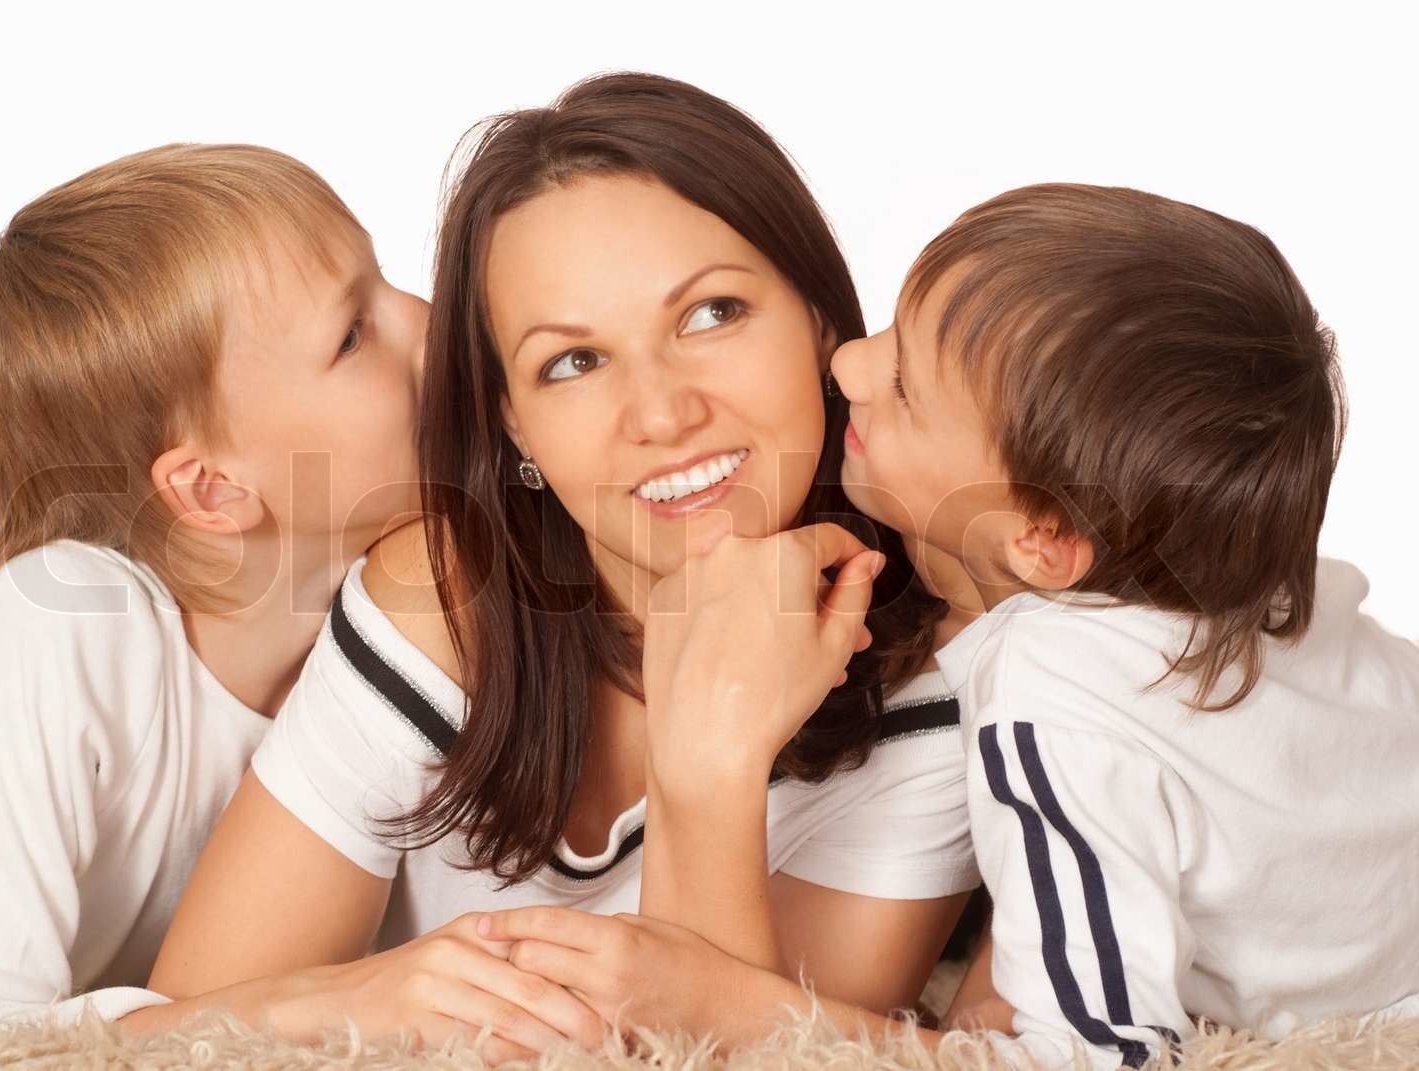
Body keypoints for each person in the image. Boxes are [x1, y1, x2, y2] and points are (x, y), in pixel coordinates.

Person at [141, 72, 980, 1063]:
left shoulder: (936, 675)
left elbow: (751, 1053)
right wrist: (353, 995)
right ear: (514, 424)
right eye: (573, 363)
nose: (662, 414)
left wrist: (705, 768)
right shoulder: (441, 600)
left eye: (711, 313)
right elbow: (164, 1034)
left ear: (819, 320)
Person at [482, 183, 1419, 1069]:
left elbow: (1101, 1056)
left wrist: (734, 1008)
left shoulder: (1046, 692)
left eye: (903, 386)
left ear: (1040, 540)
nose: (847, 363)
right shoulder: (1278, 585)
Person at [0, 144, 430, 1033]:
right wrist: (285, 1006)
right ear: (212, 490)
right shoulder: (56, 623)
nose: (427, 317)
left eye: (388, 280)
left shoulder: (401, 612)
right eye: (352, 333)